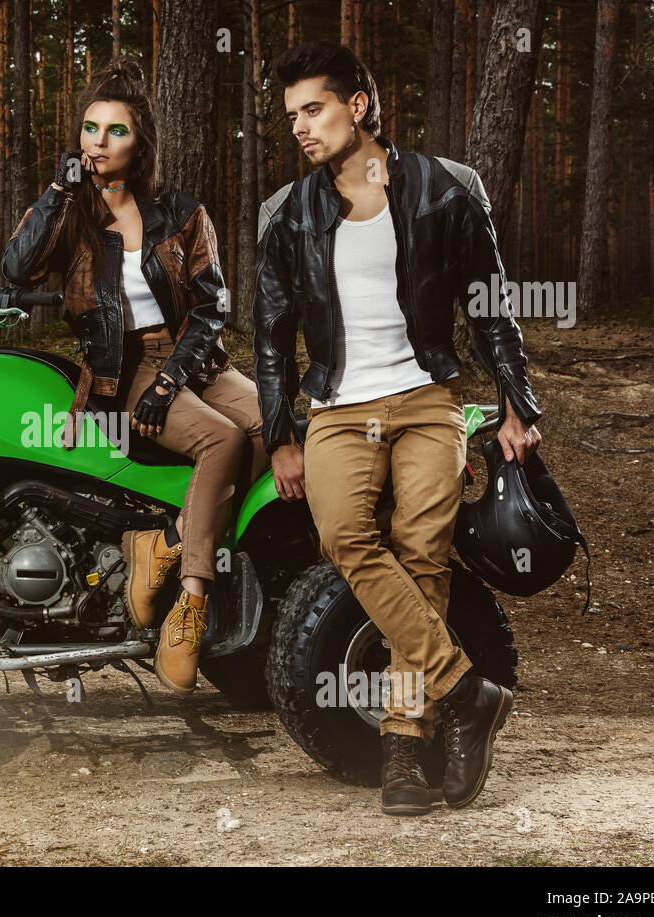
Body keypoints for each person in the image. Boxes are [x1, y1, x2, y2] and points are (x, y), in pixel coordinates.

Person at [253, 41, 544, 815]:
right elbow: (272, 337)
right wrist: (280, 434)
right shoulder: (291, 213)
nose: (300, 127)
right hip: (338, 406)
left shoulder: (443, 191)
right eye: (292, 115)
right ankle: (467, 693)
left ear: (358, 105)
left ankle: (404, 753)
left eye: (313, 109)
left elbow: (490, 308)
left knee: (422, 558)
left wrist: (517, 401)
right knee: (344, 536)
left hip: (427, 399)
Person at [2, 57, 269, 695]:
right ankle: (192, 603)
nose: (99, 142)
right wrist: (58, 189)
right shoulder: (72, 217)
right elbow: (16, 268)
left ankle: (165, 544)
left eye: (115, 130)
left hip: (194, 361)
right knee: (224, 440)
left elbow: (212, 308)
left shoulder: (180, 212)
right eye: (90, 129)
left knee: (275, 427)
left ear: (139, 142)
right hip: (121, 371)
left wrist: (173, 380)